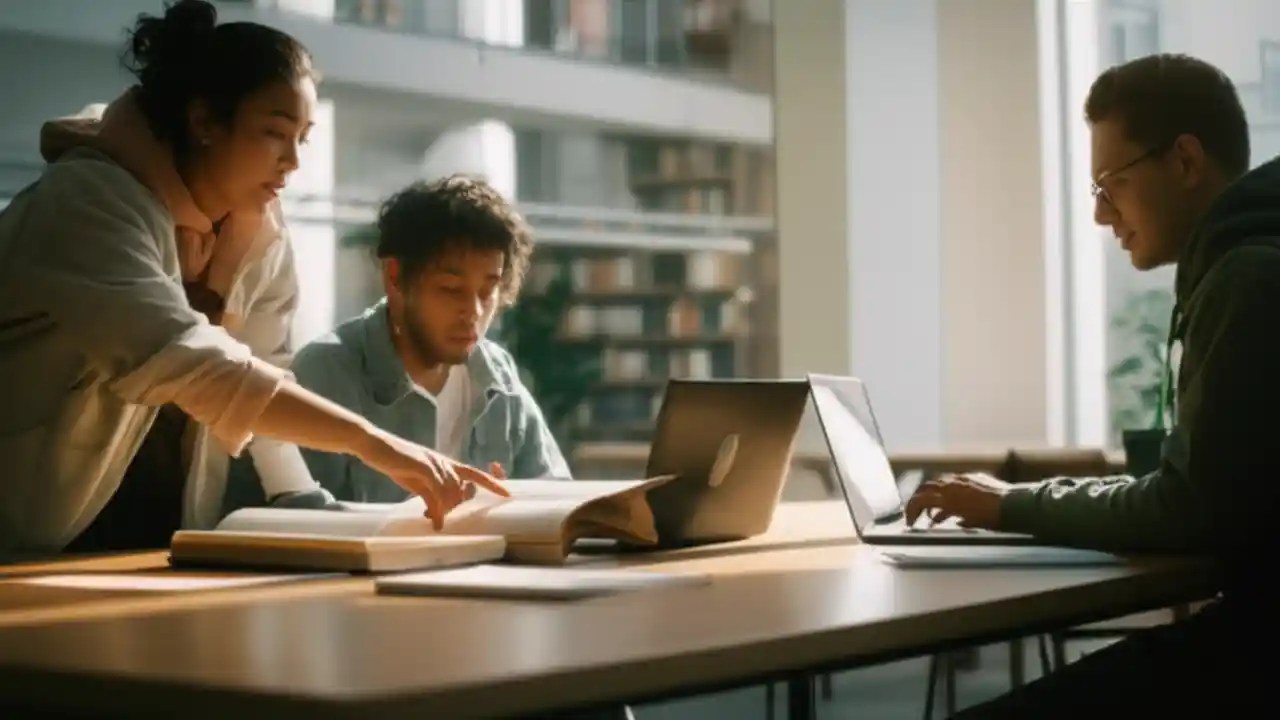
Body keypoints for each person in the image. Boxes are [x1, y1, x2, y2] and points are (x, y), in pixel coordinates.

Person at [0, 0, 502, 555]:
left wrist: (302, 501)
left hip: (153, 524)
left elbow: (265, 372)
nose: (292, 161)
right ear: (204, 121)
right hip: (27, 515)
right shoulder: (87, 203)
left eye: (302, 139)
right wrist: (373, 442)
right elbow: (191, 362)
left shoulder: (259, 229)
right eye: (274, 133)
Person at [906, 54, 1279, 716]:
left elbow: (1188, 509)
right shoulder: (1243, 263)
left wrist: (1011, 506)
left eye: (1111, 184)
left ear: (1186, 162)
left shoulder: (1247, 280)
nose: (1103, 215)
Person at [226, 175, 570, 510]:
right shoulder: (325, 372)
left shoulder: (496, 375)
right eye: (451, 289)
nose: (474, 311)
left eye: (487, 290)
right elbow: (290, 526)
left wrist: (511, 507)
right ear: (395, 277)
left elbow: (556, 497)